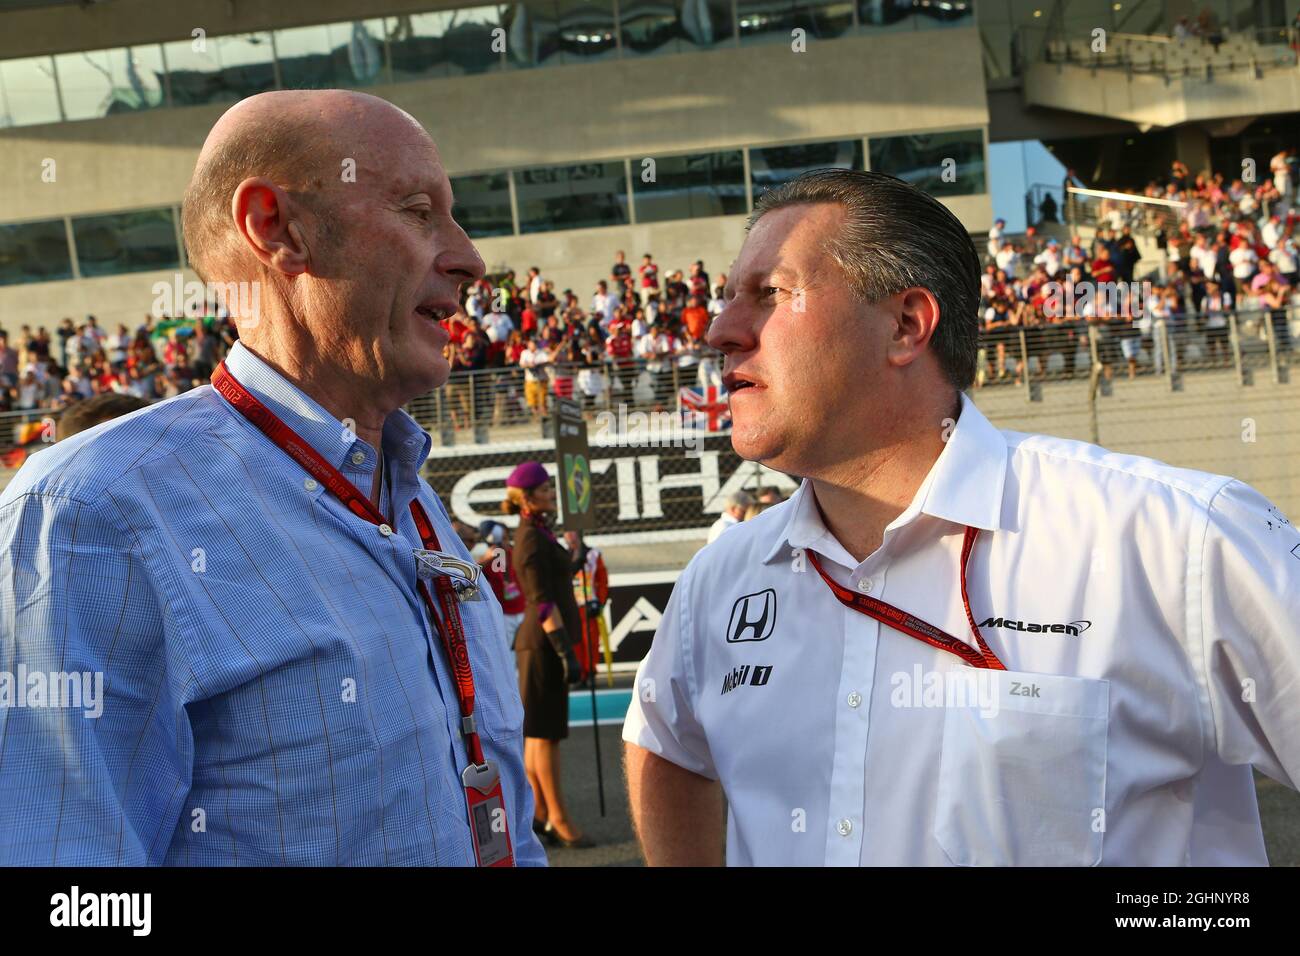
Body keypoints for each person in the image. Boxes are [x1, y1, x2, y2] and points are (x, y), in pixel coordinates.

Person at [622, 168, 1300, 866]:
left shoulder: (1171, 538)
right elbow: (663, 743)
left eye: (770, 294)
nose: (720, 331)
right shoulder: (720, 580)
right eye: (730, 296)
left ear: (906, 326)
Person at [0, 89, 545, 867]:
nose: (469, 257)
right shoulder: (91, 510)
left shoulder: (413, 499)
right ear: (274, 227)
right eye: (420, 211)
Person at [504, 461, 594, 849]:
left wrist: (575, 554)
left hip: (540, 647)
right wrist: (564, 652)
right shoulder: (528, 538)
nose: (552, 494)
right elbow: (542, 604)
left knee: (539, 737)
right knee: (544, 737)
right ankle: (558, 817)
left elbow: (556, 578)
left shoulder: (539, 533)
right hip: (542, 648)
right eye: (545, 489)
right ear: (527, 497)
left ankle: (540, 814)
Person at [565, 530, 609, 684]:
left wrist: (600, 602)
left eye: (572, 532)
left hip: (589, 605)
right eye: (566, 533)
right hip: (571, 606)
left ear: (579, 534)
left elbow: (602, 580)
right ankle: (579, 675)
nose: (569, 536)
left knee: (590, 641)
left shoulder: (594, 554)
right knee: (575, 642)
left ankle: (590, 672)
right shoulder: (563, 556)